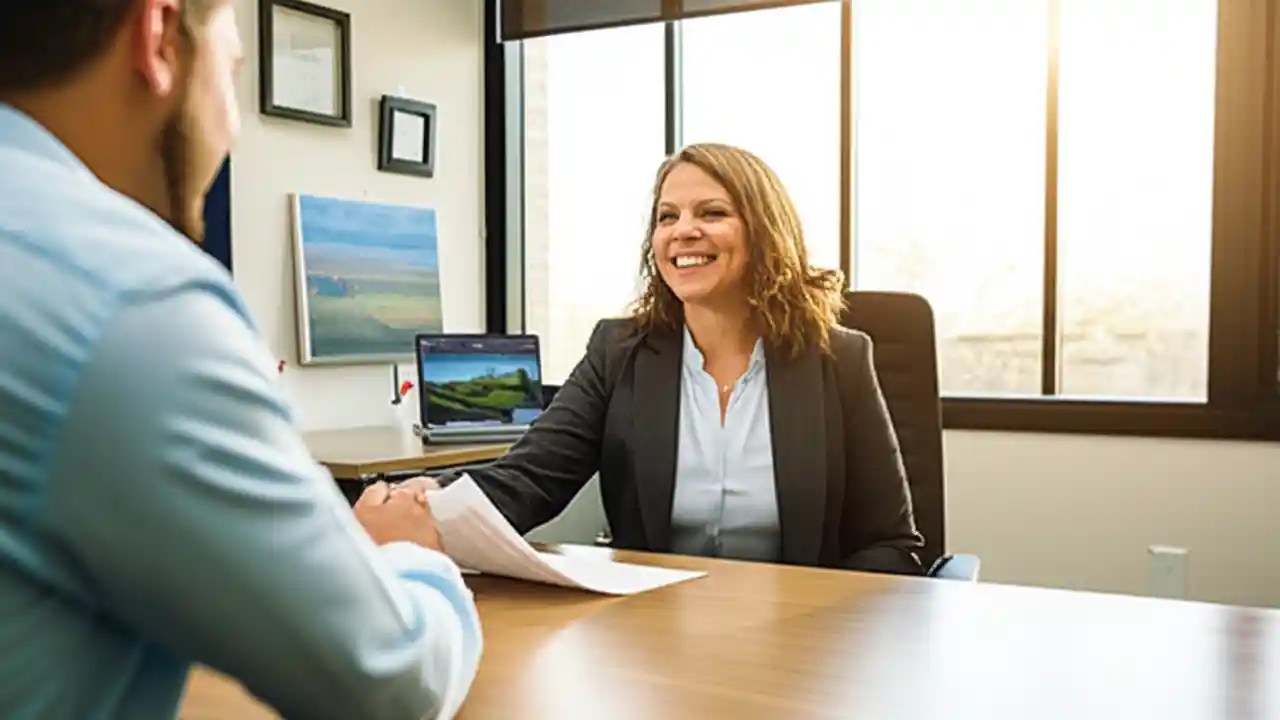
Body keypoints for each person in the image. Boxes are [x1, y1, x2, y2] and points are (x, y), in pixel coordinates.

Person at [0, 2, 480, 718]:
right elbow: (391, 684)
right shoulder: (127, 295)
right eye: (233, 67)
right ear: (158, 36)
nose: (233, 120)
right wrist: (406, 556)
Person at [418, 143, 924, 574]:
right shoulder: (618, 354)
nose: (682, 231)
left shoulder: (838, 360)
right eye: (667, 216)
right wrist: (422, 500)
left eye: (712, 212)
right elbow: (528, 479)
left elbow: (892, 544)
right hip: (655, 635)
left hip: (801, 641)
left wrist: (818, 622)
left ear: (765, 233)